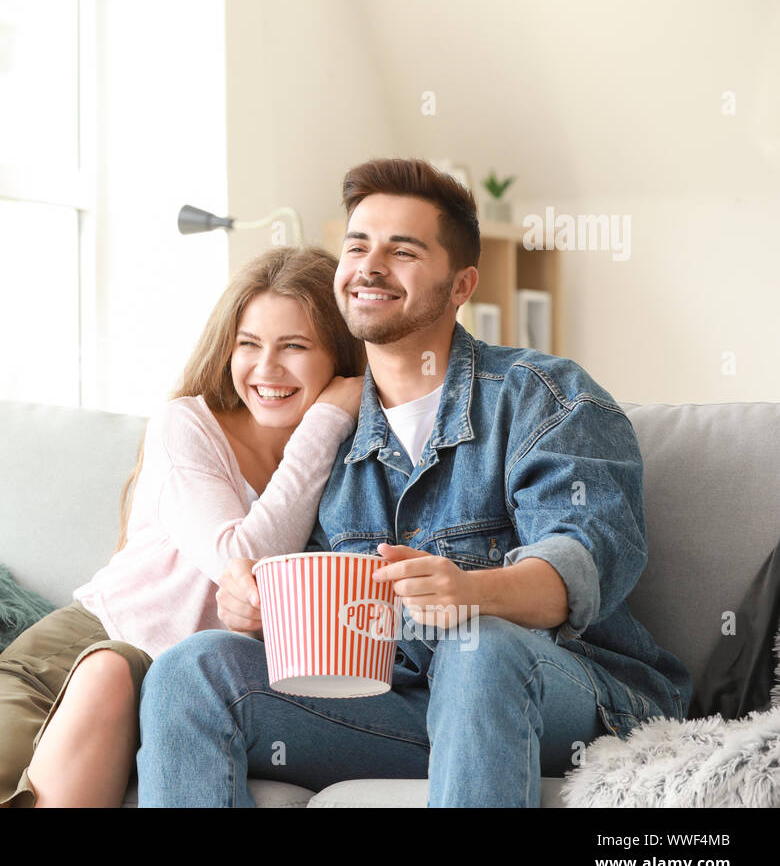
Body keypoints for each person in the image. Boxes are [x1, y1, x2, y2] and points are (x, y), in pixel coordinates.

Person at [135, 157, 694, 807]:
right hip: (405, 710)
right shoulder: (326, 435)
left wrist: (470, 591)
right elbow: (321, 619)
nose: (370, 266)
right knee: (192, 668)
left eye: (402, 250)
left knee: (476, 645)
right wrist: (254, 611)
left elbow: (577, 567)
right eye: (356, 245)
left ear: (462, 284)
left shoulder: (546, 397)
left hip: (573, 694)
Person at [0, 245, 367, 808]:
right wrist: (326, 418)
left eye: (294, 346)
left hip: (180, 693)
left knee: (112, 676)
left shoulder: (351, 458)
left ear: (338, 355)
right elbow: (238, 563)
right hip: (64, 658)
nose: (266, 369)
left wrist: (332, 428)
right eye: (249, 344)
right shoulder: (188, 425)